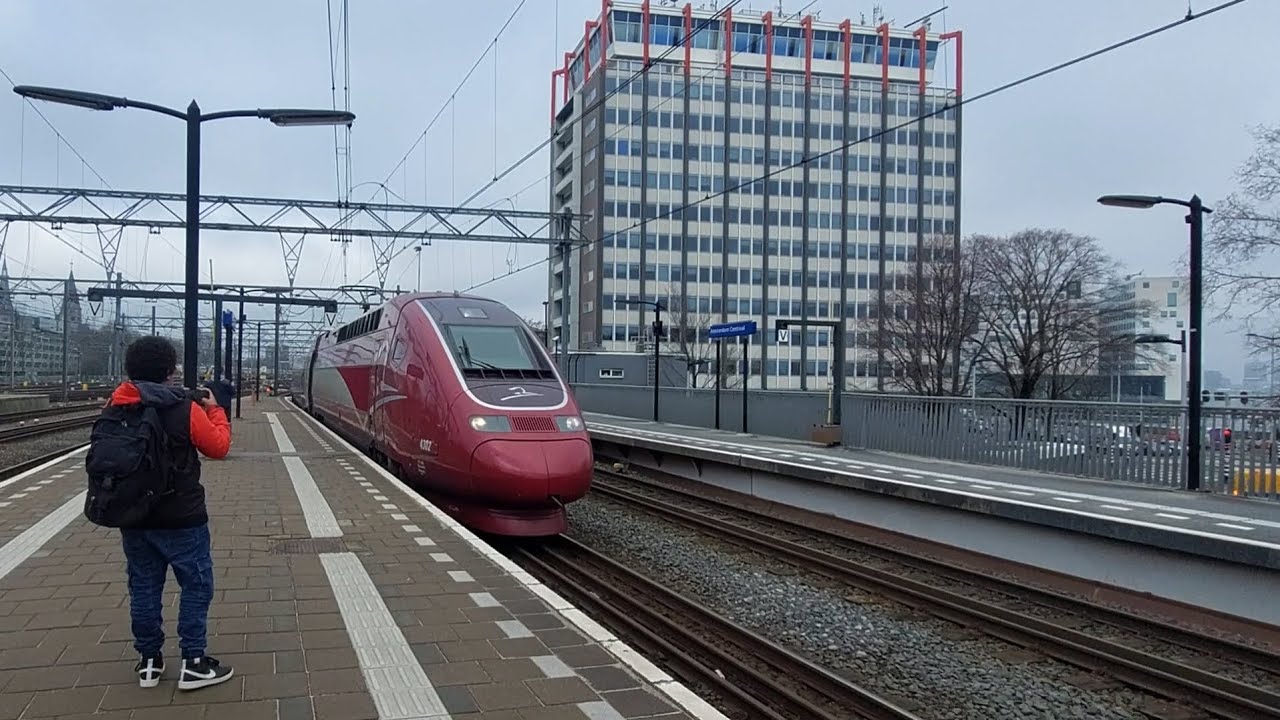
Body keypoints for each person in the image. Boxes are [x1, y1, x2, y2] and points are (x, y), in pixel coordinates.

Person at [99, 337, 233, 690]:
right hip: (182, 516)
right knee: (196, 586)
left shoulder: (114, 405)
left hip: (133, 515)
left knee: (143, 587)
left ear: (130, 369)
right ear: (170, 371)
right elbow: (218, 448)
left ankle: (148, 664)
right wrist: (215, 410)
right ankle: (193, 662)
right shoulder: (184, 408)